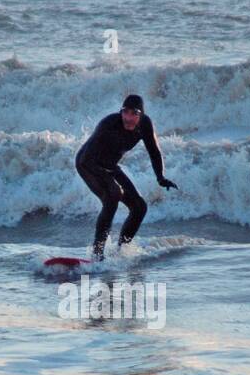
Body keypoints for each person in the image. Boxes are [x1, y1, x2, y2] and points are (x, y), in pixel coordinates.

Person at [74, 94, 176, 259]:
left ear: (140, 115)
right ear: (121, 112)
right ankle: (97, 255)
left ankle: (120, 252)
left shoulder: (145, 125)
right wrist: (109, 182)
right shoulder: (108, 124)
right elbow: (86, 159)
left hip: (110, 166)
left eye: (134, 113)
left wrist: (160, 177)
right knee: (112, 195)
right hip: (88, 164)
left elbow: (154, 151)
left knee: (139, 207)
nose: (128, 118)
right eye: (125, 112)